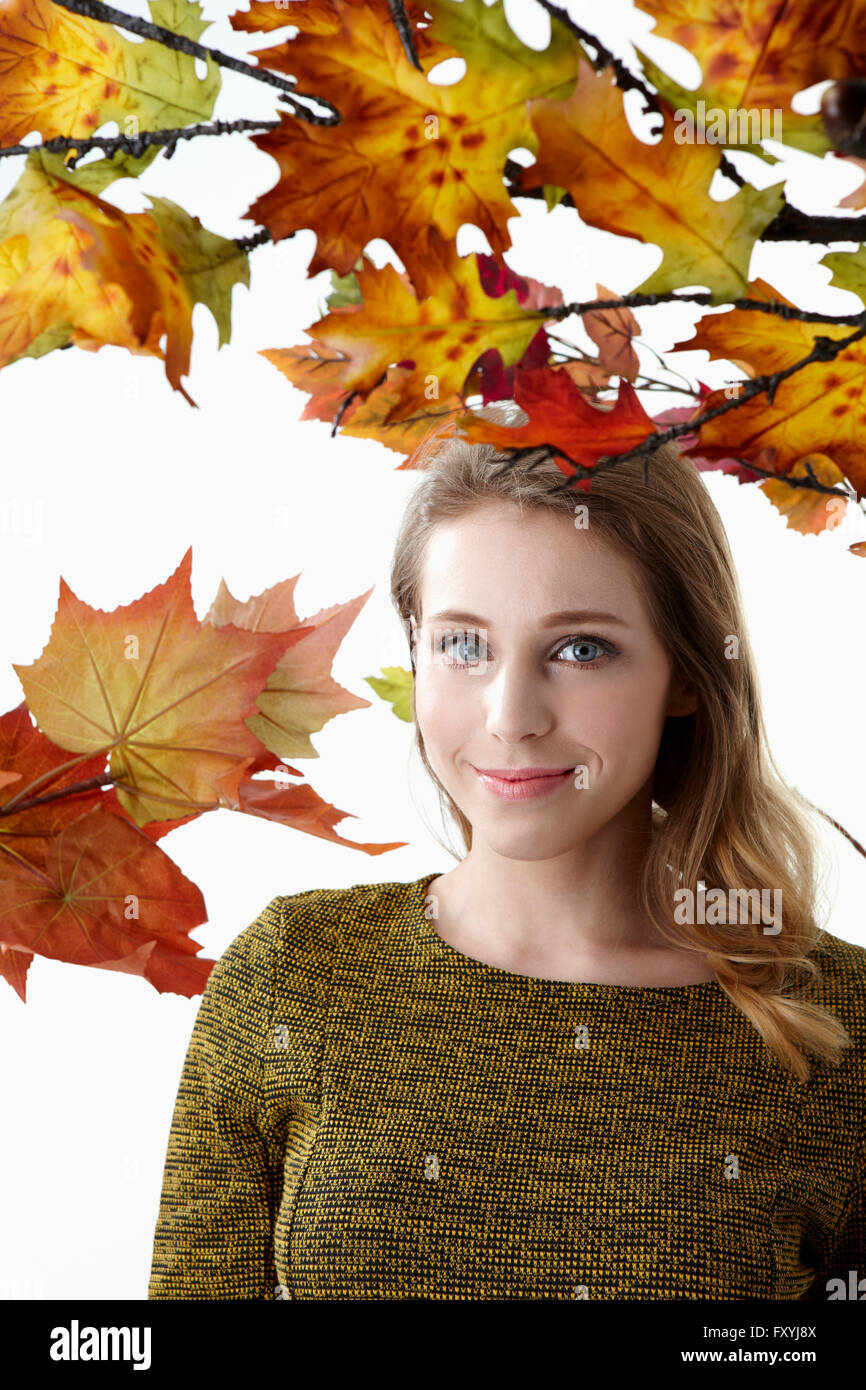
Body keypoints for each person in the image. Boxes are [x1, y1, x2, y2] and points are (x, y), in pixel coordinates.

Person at [148, 400, 865, 1300]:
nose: (511, 716)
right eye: (463, 646)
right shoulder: (294, 975)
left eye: (580, 648)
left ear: (685, 673)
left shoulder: (843, 1029)